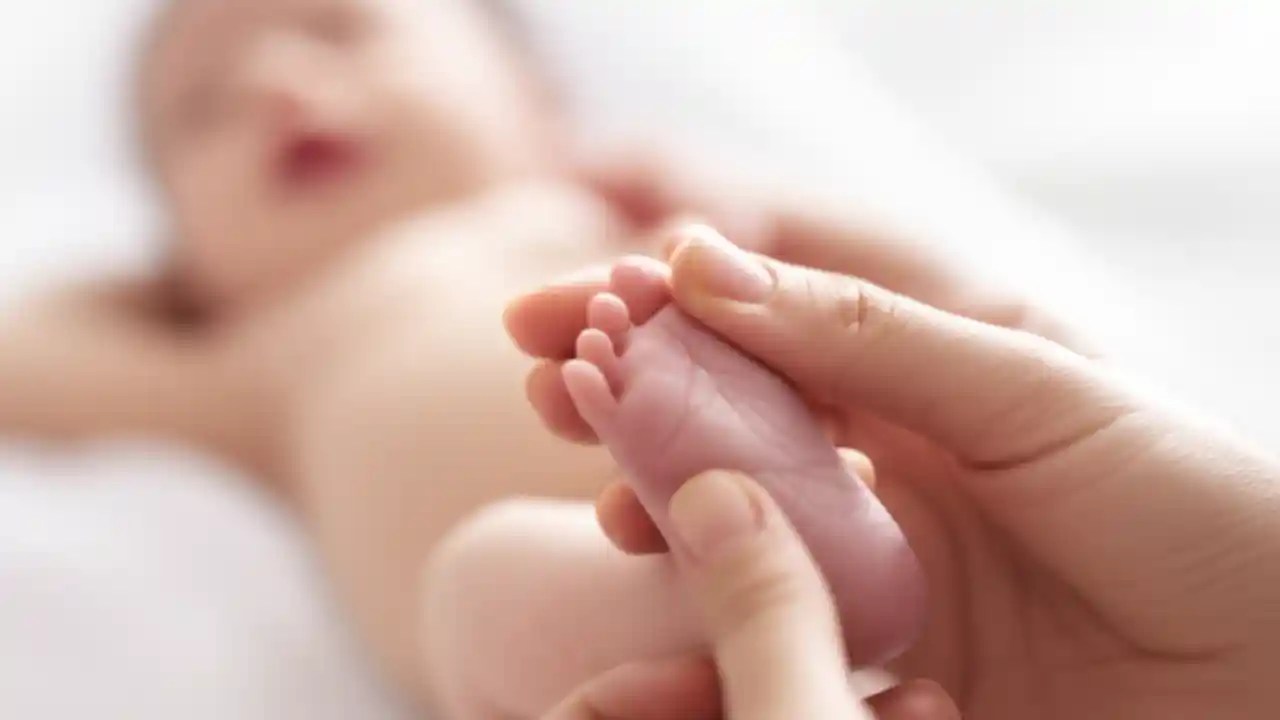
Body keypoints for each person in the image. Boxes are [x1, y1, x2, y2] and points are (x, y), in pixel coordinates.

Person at [505, 225, 1280, 718]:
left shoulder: (592, 183)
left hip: (547, 404)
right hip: (476, 406)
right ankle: (740, 583)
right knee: (476, 571)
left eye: (378, 31)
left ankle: (728, 584)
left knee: (484, 569)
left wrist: (739, 220)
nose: (372, 90)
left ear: (530, 88)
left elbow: (788, 236)